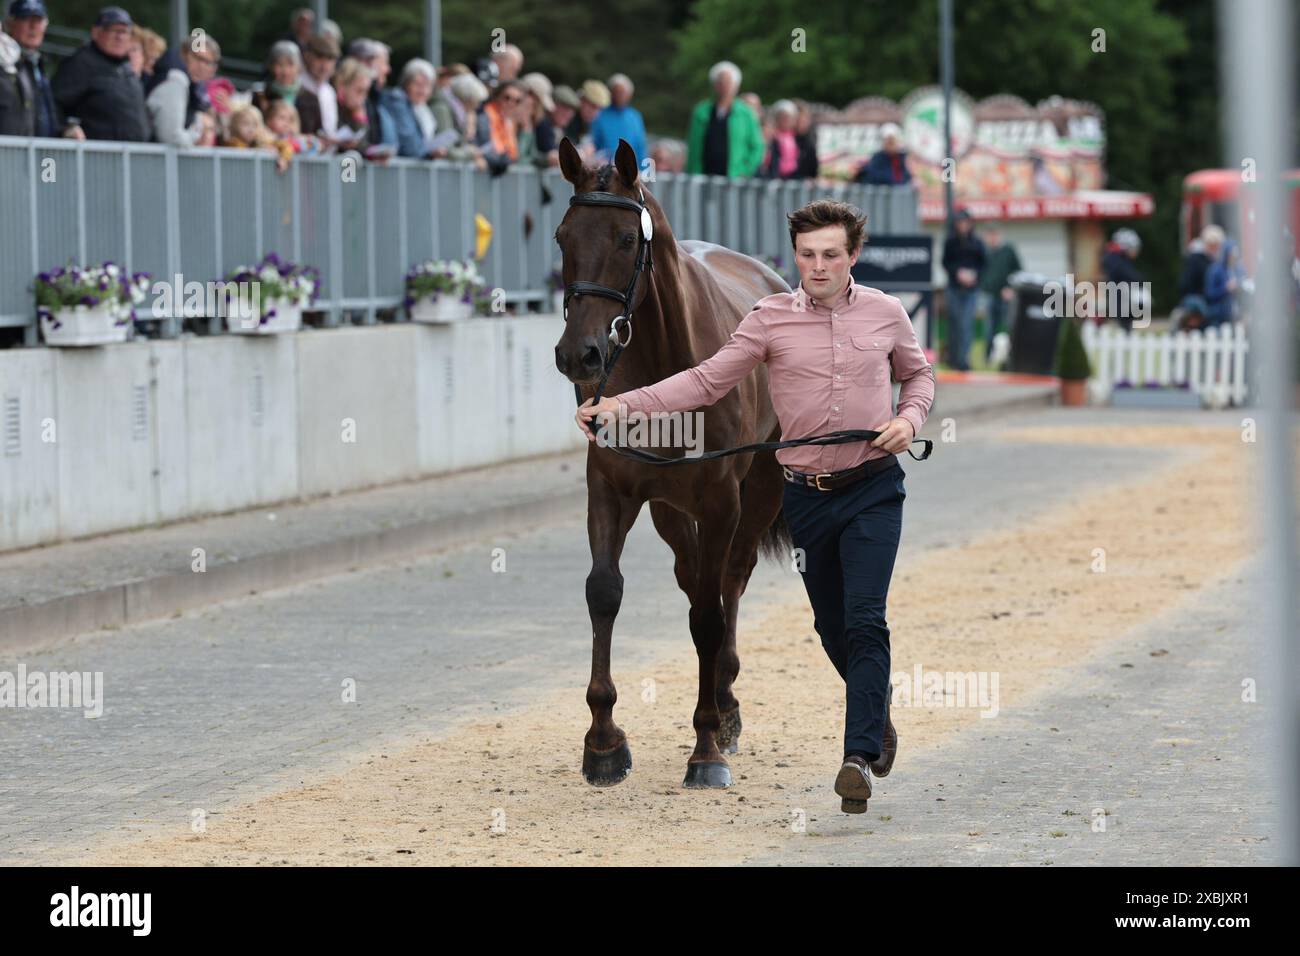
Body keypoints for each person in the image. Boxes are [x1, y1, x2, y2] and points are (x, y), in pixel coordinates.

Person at [576, 199, 933, 813]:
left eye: (830, 255)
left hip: (874, 485)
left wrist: (909, 417)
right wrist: (623, 407)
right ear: (796, 257)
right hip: (807, 495)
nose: (818, 267)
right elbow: (706, 381)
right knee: (830, 624)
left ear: (853, 257)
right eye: (807, 255)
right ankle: (877, 709)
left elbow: (918, 375)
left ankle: (858, 755)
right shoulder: (768, 319)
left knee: (865, 616)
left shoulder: (886, 313)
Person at [51, 6, 150, 141]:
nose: (120, 37)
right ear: (96, 32)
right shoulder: (81, 63)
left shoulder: (127, 68)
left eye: (125, 32)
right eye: (114, 30)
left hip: (134, 156)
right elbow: (52, 104)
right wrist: (66, 127)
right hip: (97, 157)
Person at [4, 0, 81, 138]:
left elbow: (40, 115)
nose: (33, 26)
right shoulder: (5, 63)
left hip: (36, 154)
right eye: (25, 19)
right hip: (12, 152)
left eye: (38, 20)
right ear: (10, 23)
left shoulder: (37, 63)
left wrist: (63, 131)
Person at [686, 60, 764, 178]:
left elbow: (757, 146)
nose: (724, 86)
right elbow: (693, 146)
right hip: (703, 176)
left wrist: (745, 170)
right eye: (720, 82)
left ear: (736, 86)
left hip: (733, 179)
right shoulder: (701, 112)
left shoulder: (746, 114)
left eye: (728, 82)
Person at [144, 33, 218, 147]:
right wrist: (198, 134)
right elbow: (171, 137)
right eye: (198, 58)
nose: (202, 66)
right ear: (184, 55)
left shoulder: (194, 87)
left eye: (208, 62)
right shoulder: (175, 80)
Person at [941, 209, 985, 371]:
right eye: (960, 223)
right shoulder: (950, 242)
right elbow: (945, 262)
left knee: (966, 324)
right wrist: (958, 273)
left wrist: (974, 276)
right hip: (954, 288)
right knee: (954, 323)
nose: (963, 225)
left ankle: (963, 360)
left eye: (965, 222)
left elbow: (984, 264)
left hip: (971, 290)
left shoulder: (977, 243)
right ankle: (952, 358)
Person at [977, 225, 1021, 361]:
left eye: (994, 235)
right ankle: (988, 357)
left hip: (1006, 296)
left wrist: (1010, 288)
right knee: (989, 328)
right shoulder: (984, 252)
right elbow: (980, 273)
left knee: (1009, 326)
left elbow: (1018, 271)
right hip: (989, 295)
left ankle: (1009, 356)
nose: (992, 239)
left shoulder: (1008, 250)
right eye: (989, 236)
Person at [589, 73, 647, 166]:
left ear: (629, 95)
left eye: (623, 92)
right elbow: (592, 143)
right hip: (604, 168)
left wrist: (643, 170)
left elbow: (640, 147)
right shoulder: (599, 114)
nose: (620, 96)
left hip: (630, 169)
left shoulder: (635, 117)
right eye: (617, 92)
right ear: (611, 93)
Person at [758, 99, 817, 179]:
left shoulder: (801, 141)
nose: (786, 120)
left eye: (788, 117)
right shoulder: (771, 137)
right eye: (782, 117)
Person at [1100, 228, 1145, 332]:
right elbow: (1130, 276)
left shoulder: (1115, 257)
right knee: (1124, 326)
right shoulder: (1114, 258)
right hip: (1119, 297)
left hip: (1121, 296)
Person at [299, 33, 339, 140]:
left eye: (330, 58)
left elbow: (330, 130)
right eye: (319, 57)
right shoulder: (296, 85)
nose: (324, 64)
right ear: (307, 56)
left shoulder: (329, 92)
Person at [1204, 237, 1241, 330]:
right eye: (1231, 255)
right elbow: (1209, 293)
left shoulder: (1238, 269)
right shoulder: (1215, 270)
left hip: (1236, 315)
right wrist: (1226, 288)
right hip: (1219, 316)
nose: (1233, 258)